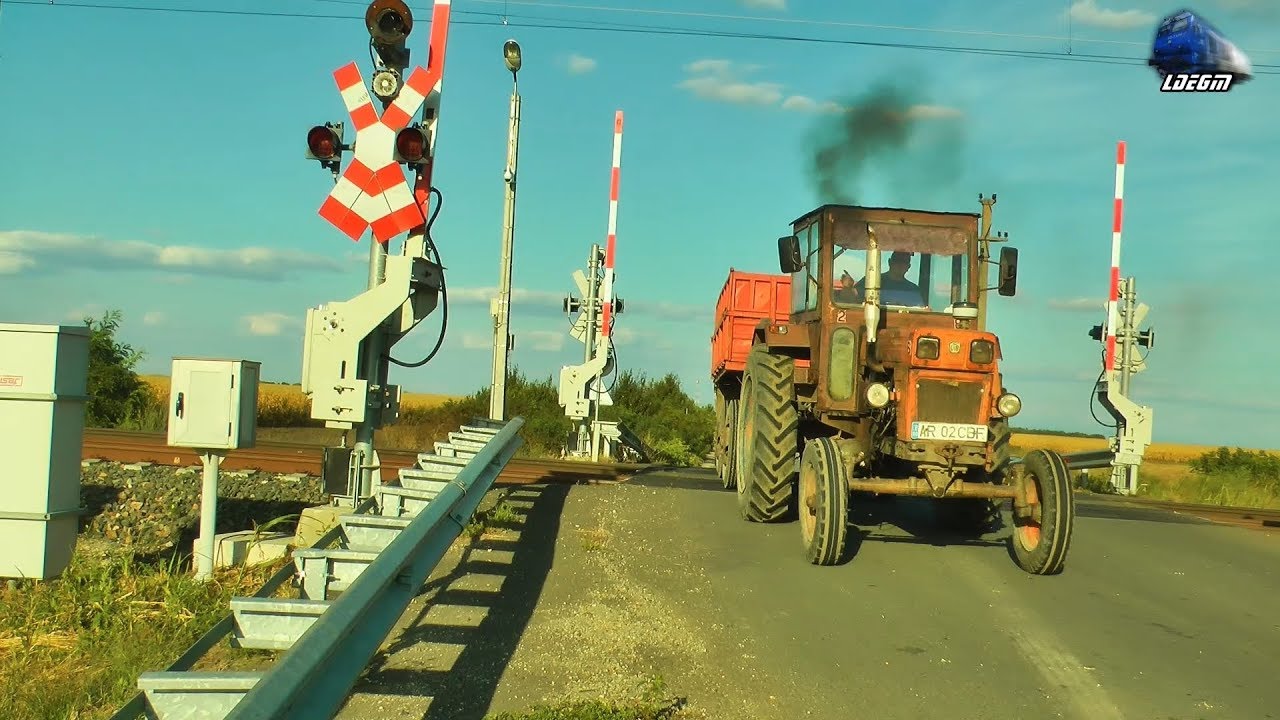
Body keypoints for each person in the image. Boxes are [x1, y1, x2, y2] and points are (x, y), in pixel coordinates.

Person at [833, 251, 923, 306]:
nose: (900, 264)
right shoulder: (870, 281)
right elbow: (849, 299)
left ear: (909, 266)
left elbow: (921, 312)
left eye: (904, 262)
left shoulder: (914, 290)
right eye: (897, 260)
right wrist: (848, 287)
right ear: (890, 262)